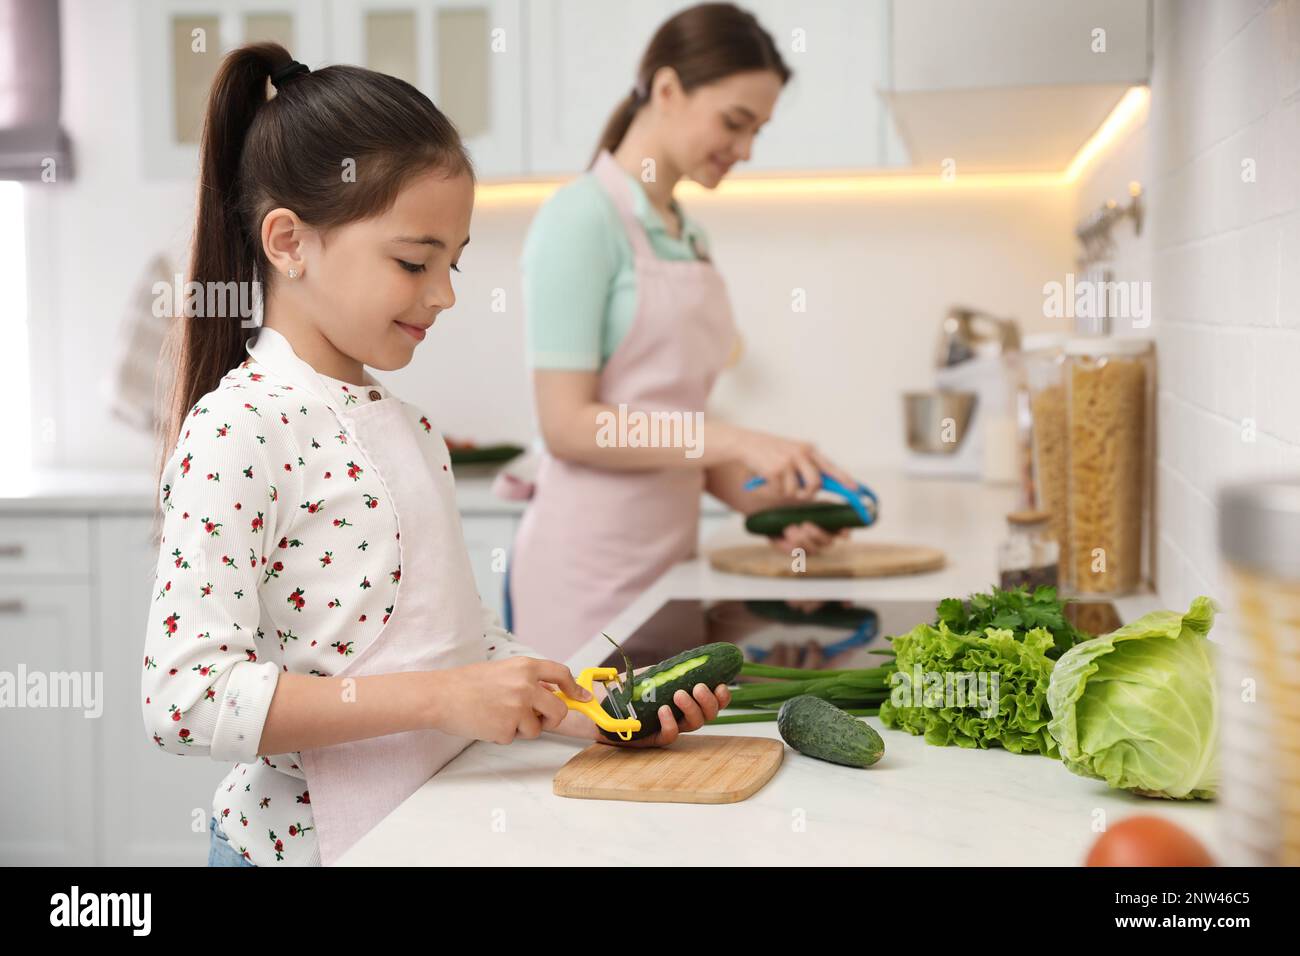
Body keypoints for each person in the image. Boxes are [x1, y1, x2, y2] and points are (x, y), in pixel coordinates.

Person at [144, 43, 730, 868]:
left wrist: (597, 711)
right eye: (414, 262)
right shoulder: (239, 429)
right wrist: (443, 699)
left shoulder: (410, 429)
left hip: (421, 831)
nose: (445, 294)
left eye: (451, 265)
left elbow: (467, 649)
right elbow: (186, 701)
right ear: (288, 242)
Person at [508, 3, 857, 659]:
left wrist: (765, 506)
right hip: (586, 580)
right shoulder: (581, 219)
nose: (747, 149)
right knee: (591, 759)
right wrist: (739, 440)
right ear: (667, 90)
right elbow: (568, 424)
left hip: (670, 572)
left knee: (660, 757)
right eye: (735, 122)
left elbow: (675, 429)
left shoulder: (683, 232)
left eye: (758, 129)